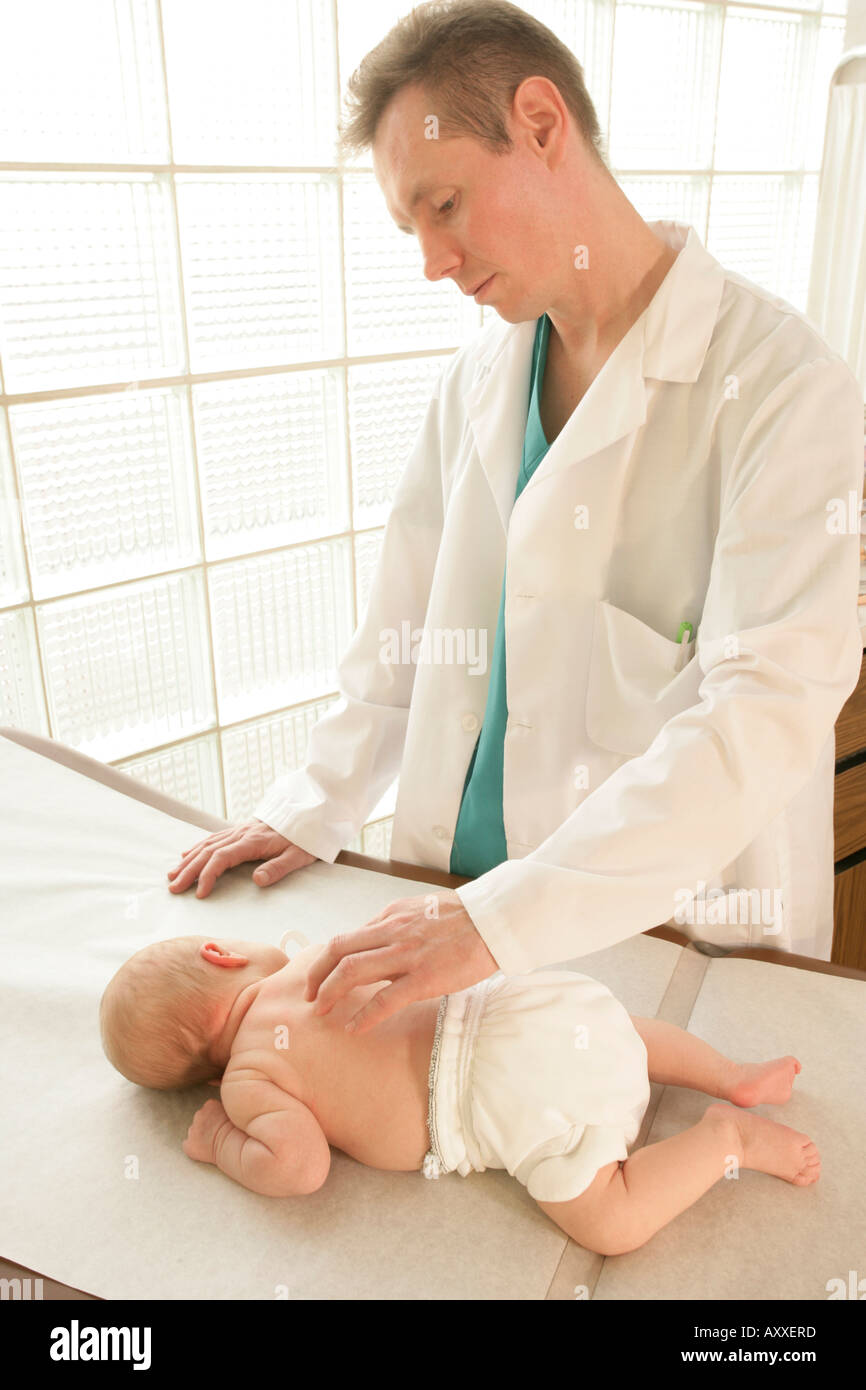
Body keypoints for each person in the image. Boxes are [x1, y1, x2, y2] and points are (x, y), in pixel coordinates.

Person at [167, 0, 865, 1034]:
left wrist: (496, 922)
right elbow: (400, 642)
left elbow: (755, 718)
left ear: (540, 123)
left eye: (442, 204)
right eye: (413, 229)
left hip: (668, 942)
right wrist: (310, 800)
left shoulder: (783, 386)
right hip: (446, 909)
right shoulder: (477, 382)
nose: (432, 263)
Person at [99, 932, 817, 1257]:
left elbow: (297, 1168)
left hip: (495, 1095)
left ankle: (725, 1139)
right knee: (620, 1032)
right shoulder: (314, 958)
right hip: (526, 1009)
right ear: (222, 954)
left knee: (609, 1220)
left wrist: (223, 1140)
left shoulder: (250, 1080)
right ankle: (731, 1073)